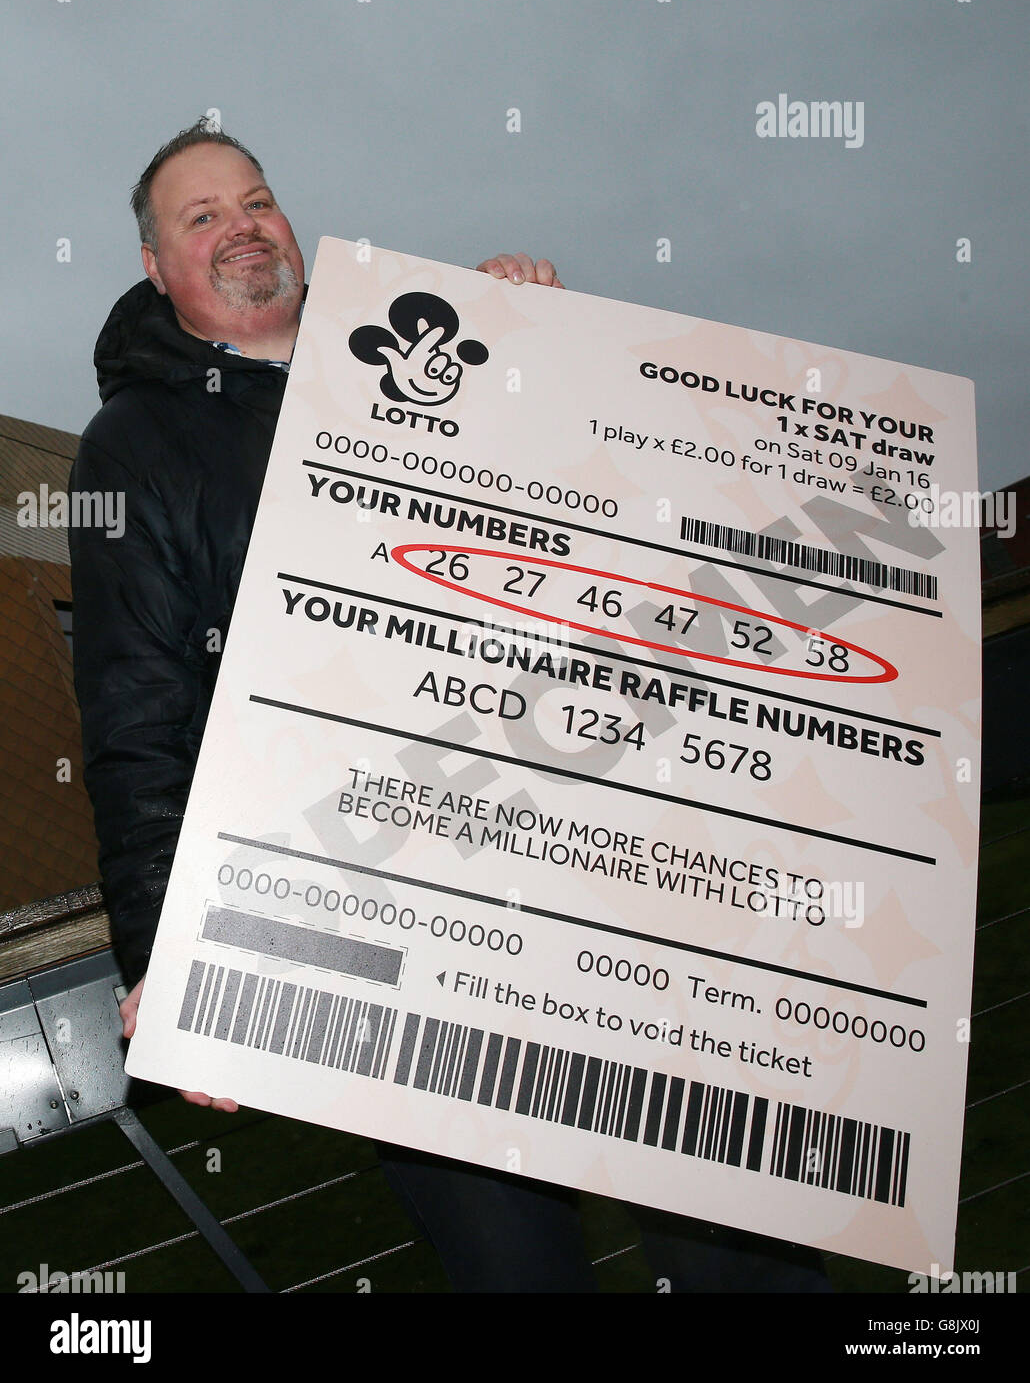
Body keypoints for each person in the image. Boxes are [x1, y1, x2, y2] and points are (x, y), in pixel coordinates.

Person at [69, 121, 830, 1293]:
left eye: (258, 200)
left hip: (596, 869)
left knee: (738, 1238)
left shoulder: (446, 353)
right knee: (513, 1272)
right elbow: (134, 716)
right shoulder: (132, 449)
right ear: (152, 264)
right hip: (387, 907)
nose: (242, 228)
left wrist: (543, 342)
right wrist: (173, 950)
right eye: (202, 216)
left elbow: (613, 528)